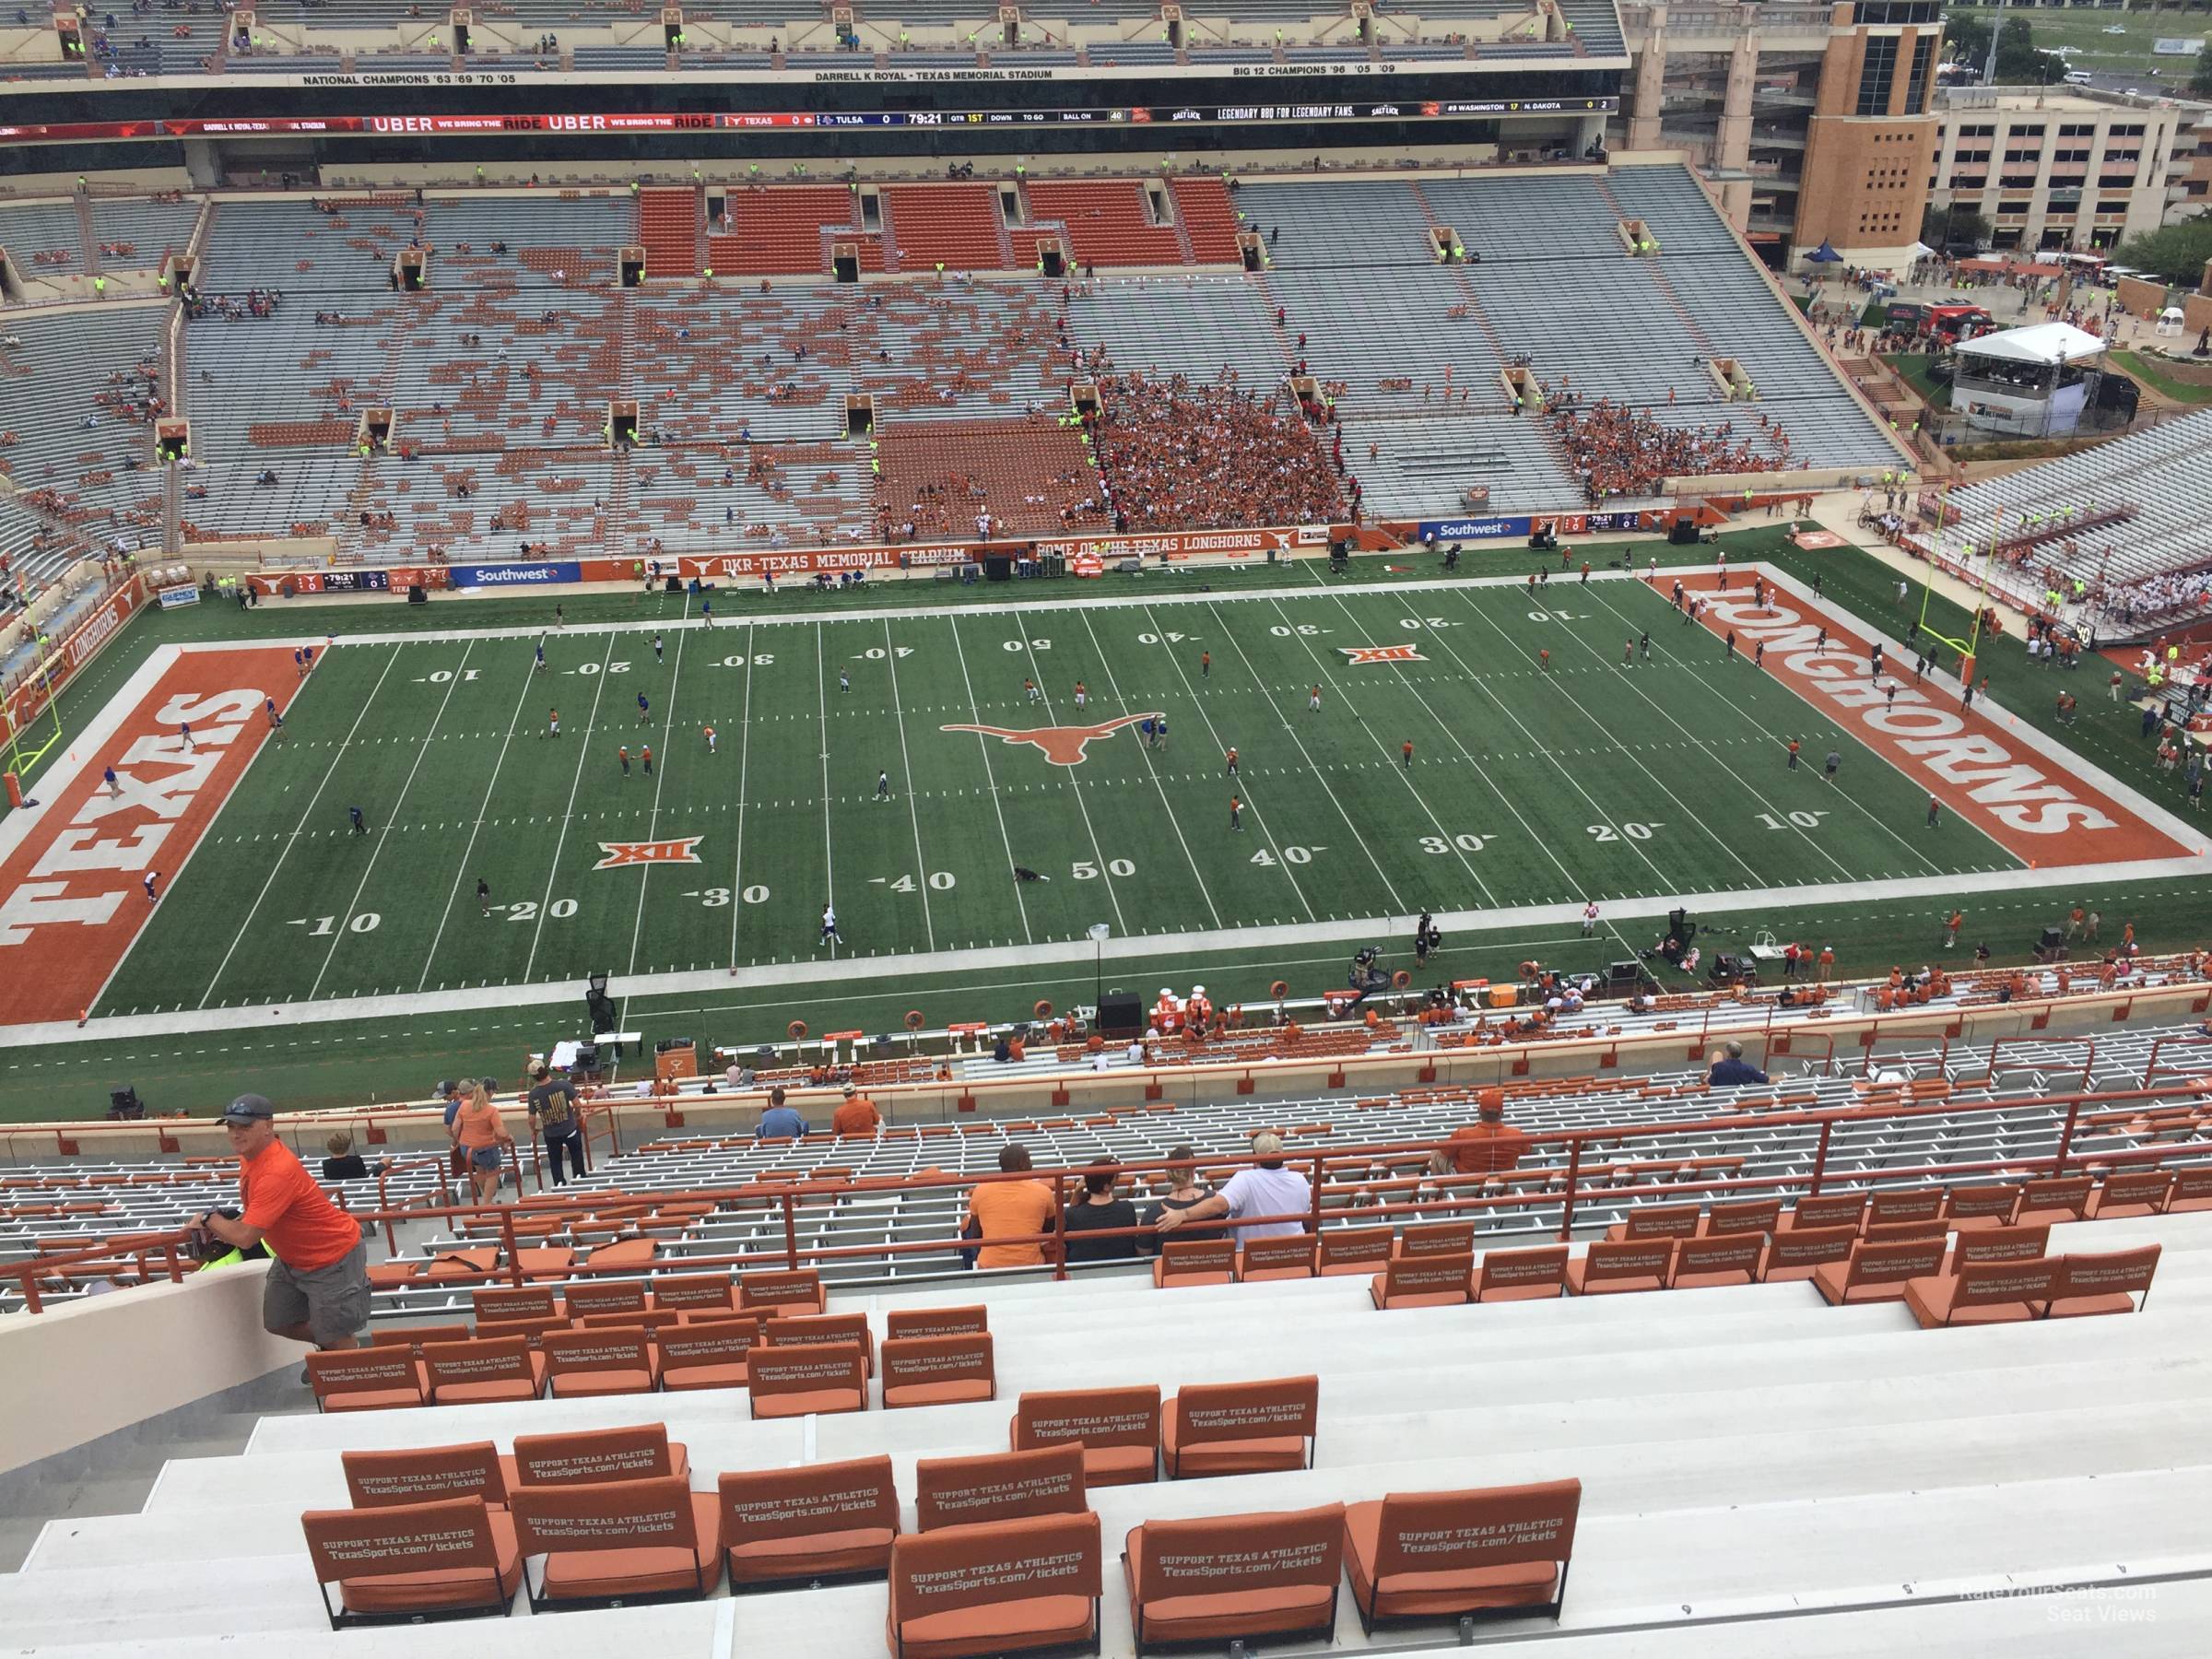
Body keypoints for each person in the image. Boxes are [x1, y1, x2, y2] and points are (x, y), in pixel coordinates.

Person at [195, 1094, 370, 1369]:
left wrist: (208, 1219)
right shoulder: (252, 1157)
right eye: (231, 1126)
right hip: (293, 1258)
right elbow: (255, 1213)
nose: (236, 1133)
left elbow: (246, 1237)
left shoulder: (275, 1170)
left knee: (336, 1332)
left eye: (245, 1126)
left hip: (332, 1257)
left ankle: (357, 1377)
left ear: (268, 1126)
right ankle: (336, 1350)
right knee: (279, 1322)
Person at [1154, 1131, 1310, 1243]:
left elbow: (1219, 1205)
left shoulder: (1246, 1179)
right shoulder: (1300, 1180)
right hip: (1295, 1254)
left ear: (1255, 1157)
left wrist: (1183, 1214)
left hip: (1251, 1260)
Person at [965, 1144, 1055, 1268]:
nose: (1032, 1164)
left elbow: (976, 1234)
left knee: (967, 1226)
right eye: (1029, 1160)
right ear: (1022, 1163)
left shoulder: (981, 1190)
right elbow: (1048, 1230)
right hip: (1031, 1264)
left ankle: (966, 1270)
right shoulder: (1043, 1191)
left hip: (989, 1264)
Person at [449, 1079, 512, 1203]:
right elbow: (501, 1133)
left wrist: (459, 1140)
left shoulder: (464, 1106)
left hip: (466, 1148)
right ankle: (487, 1204)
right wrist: (508, 1138)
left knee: (479, 1169)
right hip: (486, 1147)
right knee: (493, 1172)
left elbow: (455, 1128)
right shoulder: (491, 1110)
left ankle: (487, 1198)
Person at [1137, 1147, 1210, 1255]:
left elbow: (1143, 1252)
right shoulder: (1215, 1201)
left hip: (1167, 1270)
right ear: (1193, 1170)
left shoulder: (1154, 1211)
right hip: (1213, 1269)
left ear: (1168, 1174)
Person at [1061, 1166, 1139, 1263]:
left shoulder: (1072, 1214)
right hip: (1124, 1267)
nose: (1117, 1181)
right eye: (1116, 1178)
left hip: (1081, 1270)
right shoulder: (1127, 1208)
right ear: (1106, 1186)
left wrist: (1078, 1190)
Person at [528, 1064, 587, 1185]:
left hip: (551, 1134)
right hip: (570, 1128)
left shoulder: (533, 1094)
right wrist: (577, 1116)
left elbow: (531, 1118)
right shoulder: (564, 1085)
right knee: (576, 1155)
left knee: (555, 1161)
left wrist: (533, 1130)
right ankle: (580, 1180)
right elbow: (577, 1104)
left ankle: (560, 1185)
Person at [1445, 1088, 1529, 1173]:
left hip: (1469, 1182)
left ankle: (1436, 1186)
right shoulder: (1517, 1134)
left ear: (1479, 1112)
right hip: (1505, 1182)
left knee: (1436, 1154)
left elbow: (1446, 1152)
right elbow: (1526, 1151)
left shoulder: (1462, 1134)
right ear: (1502, 1113)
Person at [1705, 1040, 1770, 1088]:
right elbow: (1765, 1079)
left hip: (1720, 1098)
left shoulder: (1719, 1067)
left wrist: (1705, 1079)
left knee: (1717, 1054)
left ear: (1728, 1053)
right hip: (1739, 1099)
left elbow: (1711, 1082)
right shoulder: (1749, 1069)